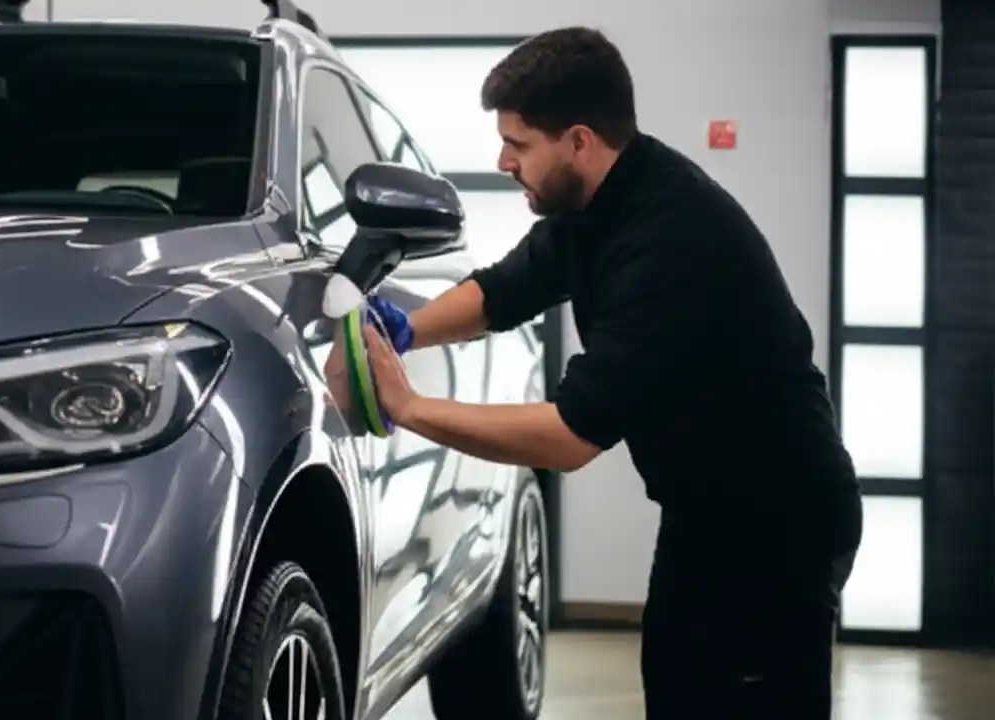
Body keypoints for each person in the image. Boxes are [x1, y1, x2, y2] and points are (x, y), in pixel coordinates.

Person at [324, 26, 864, 720]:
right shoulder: (593, 205)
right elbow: (501, 291)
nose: (501, 160)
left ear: (578, 140)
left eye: (518, 144)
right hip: (706, 515)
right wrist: (403, 328)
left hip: (778, 526)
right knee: (677, 691)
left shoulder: (670, 244)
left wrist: (412, 408)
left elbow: (569, 438)